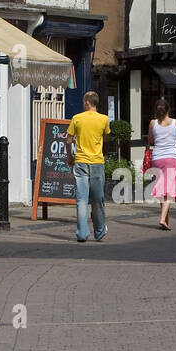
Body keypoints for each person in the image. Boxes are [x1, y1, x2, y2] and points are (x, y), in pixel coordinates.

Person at [68, 91, 111, 242]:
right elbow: (105, 137)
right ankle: (99, 231)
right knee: (97, 199)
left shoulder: (77, 118)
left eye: (83, 101)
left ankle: (82, 233)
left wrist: (70, 157)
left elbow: (68, 141)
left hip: (80, 162)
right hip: (97, 162)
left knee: (81, 199)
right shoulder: (104, 119)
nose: (82, 103)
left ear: (87, 102)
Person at [147, 98, 176, 230]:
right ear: (168, 109)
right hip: (171, 158)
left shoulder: (153, 123)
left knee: (161, 190)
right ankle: (162, 219)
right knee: (169, 191)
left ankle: (166, 221)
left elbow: (150, 141)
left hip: (157, 158)